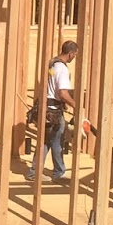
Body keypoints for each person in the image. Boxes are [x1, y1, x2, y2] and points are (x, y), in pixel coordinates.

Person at [27, 40, 80, 183]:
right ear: (70, 54)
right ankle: (43, 173)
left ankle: (54, 172)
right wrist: (76, 105)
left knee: (53, 140)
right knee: (50, 141)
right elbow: (62, 93)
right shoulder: (62, 69)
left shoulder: (53, 64)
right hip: (53, 112)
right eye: (75, 55)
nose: (74, 57)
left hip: (48, 108)